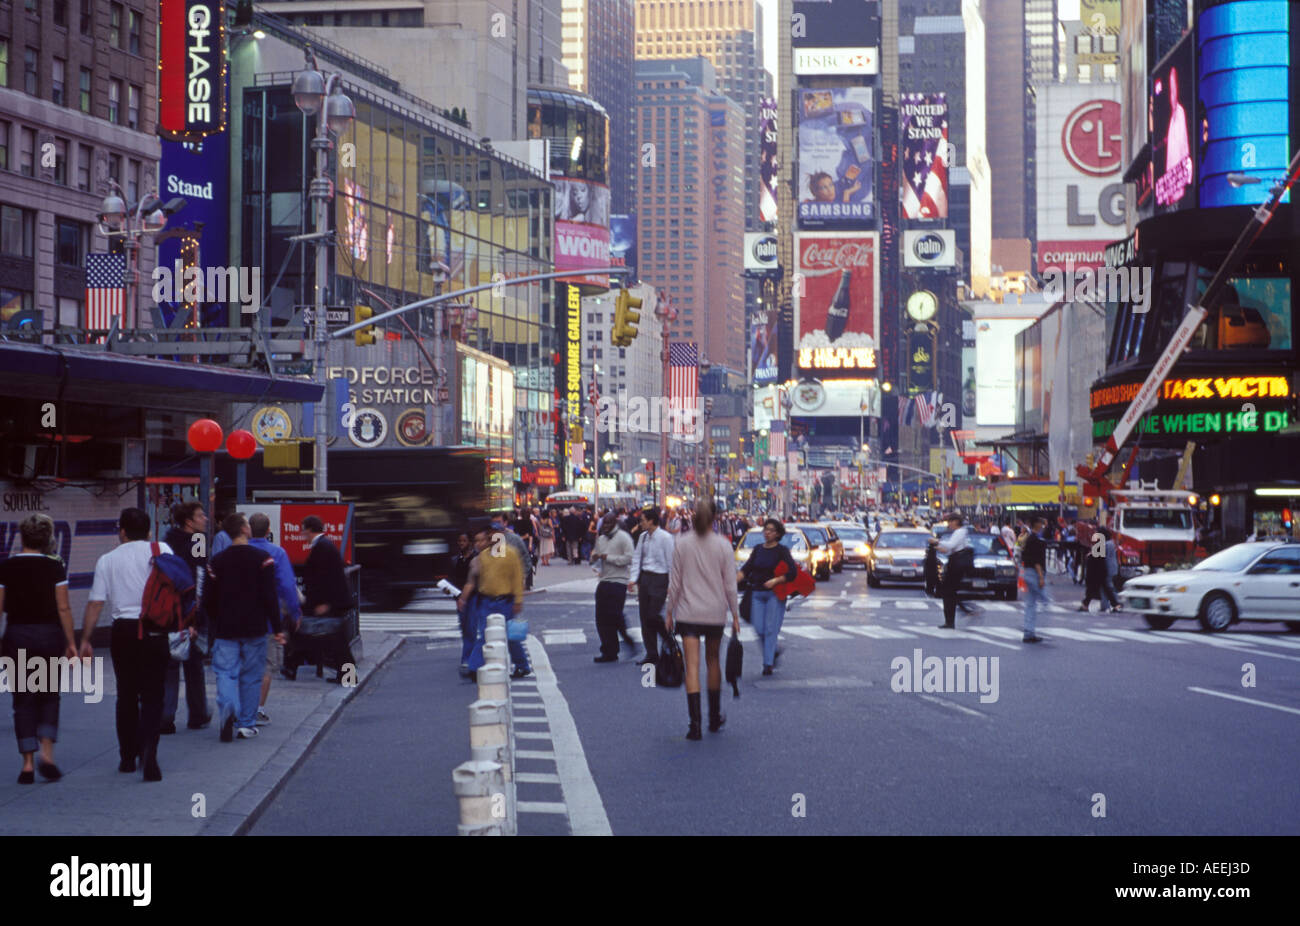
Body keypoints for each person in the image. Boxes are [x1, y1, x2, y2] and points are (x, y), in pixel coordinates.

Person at [79, 508, 172, 781]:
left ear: (121, 532)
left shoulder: (107, 560)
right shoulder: (162, 549)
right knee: (154, 694)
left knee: (127, 694)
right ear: (149, 531)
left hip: (124, 631)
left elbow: (96, 602)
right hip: (155, 628)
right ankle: (150, 751)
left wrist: (85, 638)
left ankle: (127, 757)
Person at [0, 514, 77, 783]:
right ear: (47, 538)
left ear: (22, 537)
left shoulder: (6, 567)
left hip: (18, 635)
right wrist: (71, 643)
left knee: (23, 698)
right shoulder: (55, 567)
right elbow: (64, 607)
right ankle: (47, 754)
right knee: (48, 694)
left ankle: (27, 764)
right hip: (48, 636)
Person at [666, 500, 742, 741]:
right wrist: (735, 615)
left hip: (688, 612)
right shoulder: (723, 546)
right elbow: (730, 585)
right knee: (713, 662)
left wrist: (669, 611)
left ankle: (694, 724)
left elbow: (675, 583)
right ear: (715, 519)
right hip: (714, 612)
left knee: (692, 666)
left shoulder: (682, 544)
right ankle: (714, 716)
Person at [205, 514, 284, 741]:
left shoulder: (216, 562)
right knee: (251, 675)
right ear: (244, 530)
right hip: (255, 625)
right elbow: (270, 596)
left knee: (225, 672)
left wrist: (214, 622)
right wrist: (277, 627)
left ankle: (228, 705)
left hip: (226, 626)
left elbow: (208, 599)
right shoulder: (263, 558)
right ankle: (246, 723)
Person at [161, 501, 211, 734]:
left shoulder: (166, 541)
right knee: (194, 665)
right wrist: (195, 617)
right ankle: (198, 714)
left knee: (170, 666)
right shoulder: (198, 542)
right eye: (201, 516)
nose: (206, 519)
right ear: (189, 521)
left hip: (169, 612)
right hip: (190, 611)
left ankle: (166, 716)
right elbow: (199, 578)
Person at [459, 526, 531, 679]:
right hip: (486, 601)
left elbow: (518, 579)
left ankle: (522, 665)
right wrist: (464, 598)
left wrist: (518, 600)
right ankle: (474, 667)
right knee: (484, 634)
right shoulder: (482, 557)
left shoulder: (511, 554)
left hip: (506, 601)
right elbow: (473, 580)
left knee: (511, 636)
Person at [249, 513, 301, 725]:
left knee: (243, 663)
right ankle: (257, 709)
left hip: (240, 616)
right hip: (270, 616)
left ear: (248, 530)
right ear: (269, 531)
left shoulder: (238, 550)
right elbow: (288, 586)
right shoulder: (277, 553)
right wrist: (295, 613)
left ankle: (239, 706)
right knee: (266, 664)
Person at [292, 515, 354, 683]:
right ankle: (347, 675)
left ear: (310, 530)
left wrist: (324, 603)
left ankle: (348, 676)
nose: (302, 532)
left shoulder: (322, 547)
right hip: (331, 601)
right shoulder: (324, 545)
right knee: (335, 640)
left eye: (303, 529)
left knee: (337, 641)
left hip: (329, 602)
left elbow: (325, 579)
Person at [739, 518, 797, 676]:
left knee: (770, 629)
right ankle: (772, 651)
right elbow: (747, 568)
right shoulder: (758, 549)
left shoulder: (782, 551)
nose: (767, 532)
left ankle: (768, 663)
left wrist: (776, 580)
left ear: (777, 533)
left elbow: (792, 572)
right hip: (757, 592)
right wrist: (731, 581)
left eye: (771, 530)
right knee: (759, 628)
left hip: (774, 594)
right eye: (765, 529)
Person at [628, 506, 674, 666]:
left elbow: (672, 562)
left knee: (653, 615)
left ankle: (668, 639)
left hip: (660, 579)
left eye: (643, 521)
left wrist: (672, 584)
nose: (641, 523)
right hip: (645, 578)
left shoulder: (666, 538)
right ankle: (652, 653)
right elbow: (637, 558)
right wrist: (633, 579)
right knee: (644, 617)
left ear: (651, 521)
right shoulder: (643, 537)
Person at [591, 513, 638, 663]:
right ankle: (608, 650)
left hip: (618, 581)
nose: (605, 526)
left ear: (615, 523)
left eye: (608, 523)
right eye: (603, 523)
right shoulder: (601, 539)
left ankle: (627, 642)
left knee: (615, 615)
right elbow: (596, 559)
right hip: (604, 580)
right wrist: (594, 558)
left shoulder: (623, 538)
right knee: (601, 618)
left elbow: (630, 558)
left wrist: (608, 558)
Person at [930, 513, 980, 629]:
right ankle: (956, 616)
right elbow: (950, 549)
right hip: (956, 563)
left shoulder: (960, 532)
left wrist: (937, 542)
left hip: (956, 565)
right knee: (950, 592)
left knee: (948, 591)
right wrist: (938, 546)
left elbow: (950, 545)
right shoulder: (961, 532)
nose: (949, 524)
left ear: (956, 521)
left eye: (950, 521)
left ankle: (960, 614)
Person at [451, 532, 477, 676]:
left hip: (472, 598)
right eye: (459, 541)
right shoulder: (456, 560)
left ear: (469, 542)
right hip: (460, 597)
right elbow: (453, 579)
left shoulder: (475, 558)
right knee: (465, 628)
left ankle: (468, 659)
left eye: (464, 541)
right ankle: (468, 659)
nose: (461, 543)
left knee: (471, 629)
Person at [1020, 516, 1048, 643]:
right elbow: (1037, 560)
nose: (1043, 525)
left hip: (1028, 572)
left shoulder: (1029, 538)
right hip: (1035, 573)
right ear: (1036, 524)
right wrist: (1041, 576)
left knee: (1030, 603)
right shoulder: (1036, 539)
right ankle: (1031, 630)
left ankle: (1029, 632)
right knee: (1045, 599)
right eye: (1041, 523)